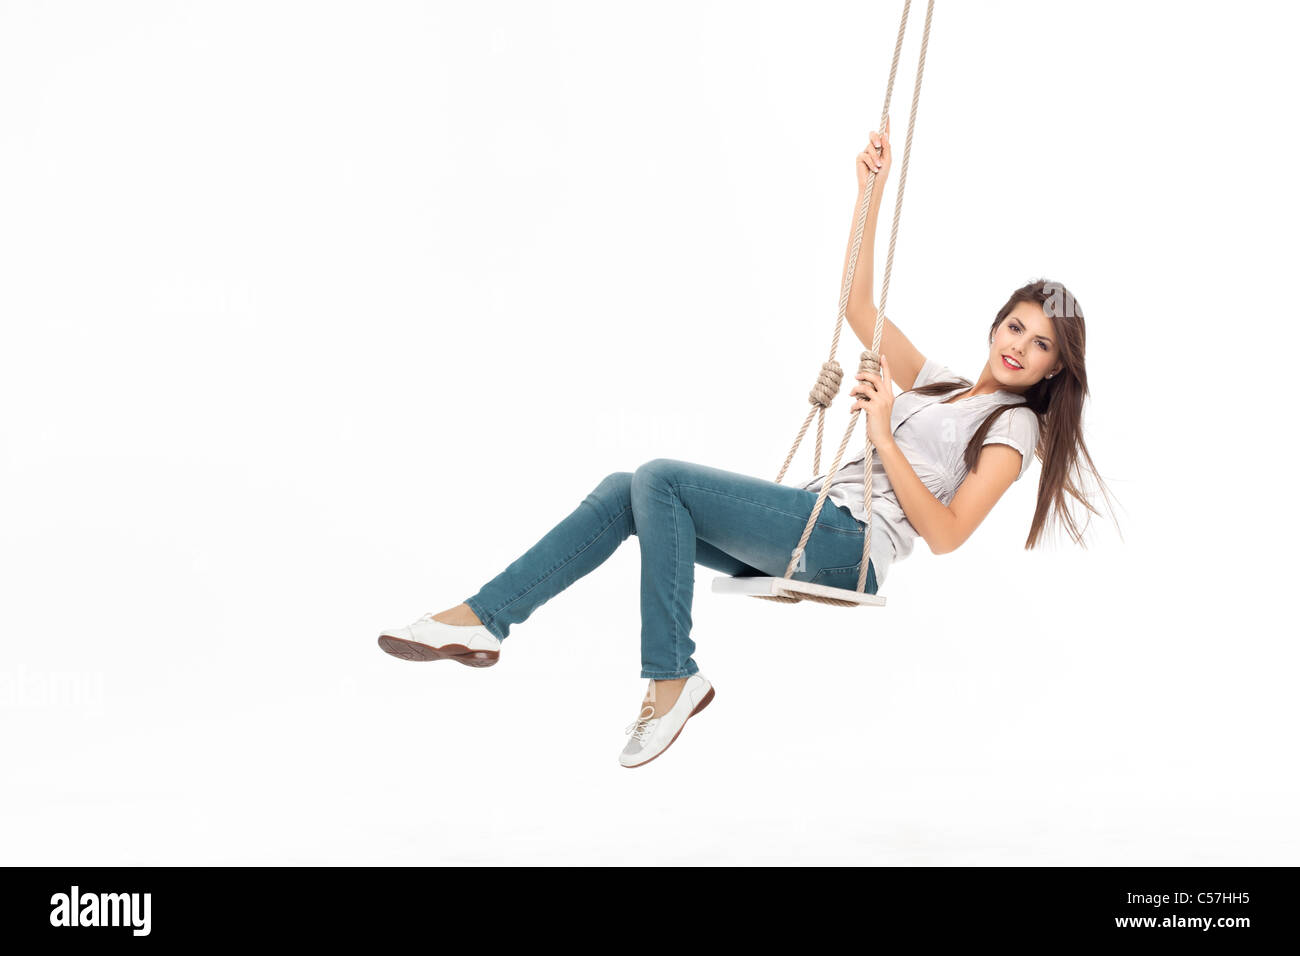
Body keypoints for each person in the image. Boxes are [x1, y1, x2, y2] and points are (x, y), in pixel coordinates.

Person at [376, 119, 1117, 768]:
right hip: (812, 518)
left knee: (660, 477)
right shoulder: (940, 381)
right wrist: (869, 192)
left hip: (847, 544)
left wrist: (884, 433)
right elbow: (857, 307)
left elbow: (949, 535)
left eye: (1042, 343)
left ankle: (672, 677)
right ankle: (484, 619)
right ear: (996, 324)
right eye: (1016, 326)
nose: (1021, 346)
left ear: (1056, 367)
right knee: (624, 489)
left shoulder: (1015, 428)